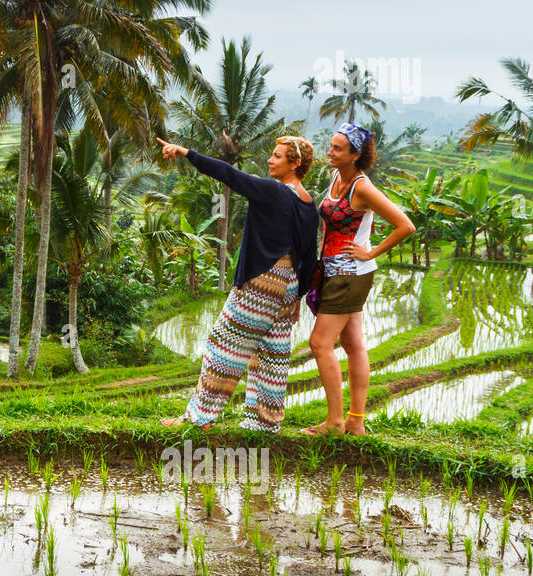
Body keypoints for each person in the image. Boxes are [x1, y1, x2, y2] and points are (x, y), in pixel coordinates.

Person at [156, 134, 320, 433]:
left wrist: (187, 152)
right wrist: (297, 299)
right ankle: (265, 422)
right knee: (272, 354)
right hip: (290, 286)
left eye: (277, 156)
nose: (270, 160)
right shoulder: (310, 205)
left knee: (223, 345)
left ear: (295, 164)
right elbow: (310, 255)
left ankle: (199, 417)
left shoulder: (274, 190)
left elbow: (229, 174)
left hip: (262, 282)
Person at [300, 122, 416, 437]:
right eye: (332, 145)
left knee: (319, 343)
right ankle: (355, 420)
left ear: (355, 155)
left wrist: (371, 252)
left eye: (338, 148)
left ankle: (335, 422)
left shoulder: (361, 187)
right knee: (352, 344)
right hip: (336, 272)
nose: (330, 151)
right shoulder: (337, 176)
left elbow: (404, 225)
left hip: (349, 274)